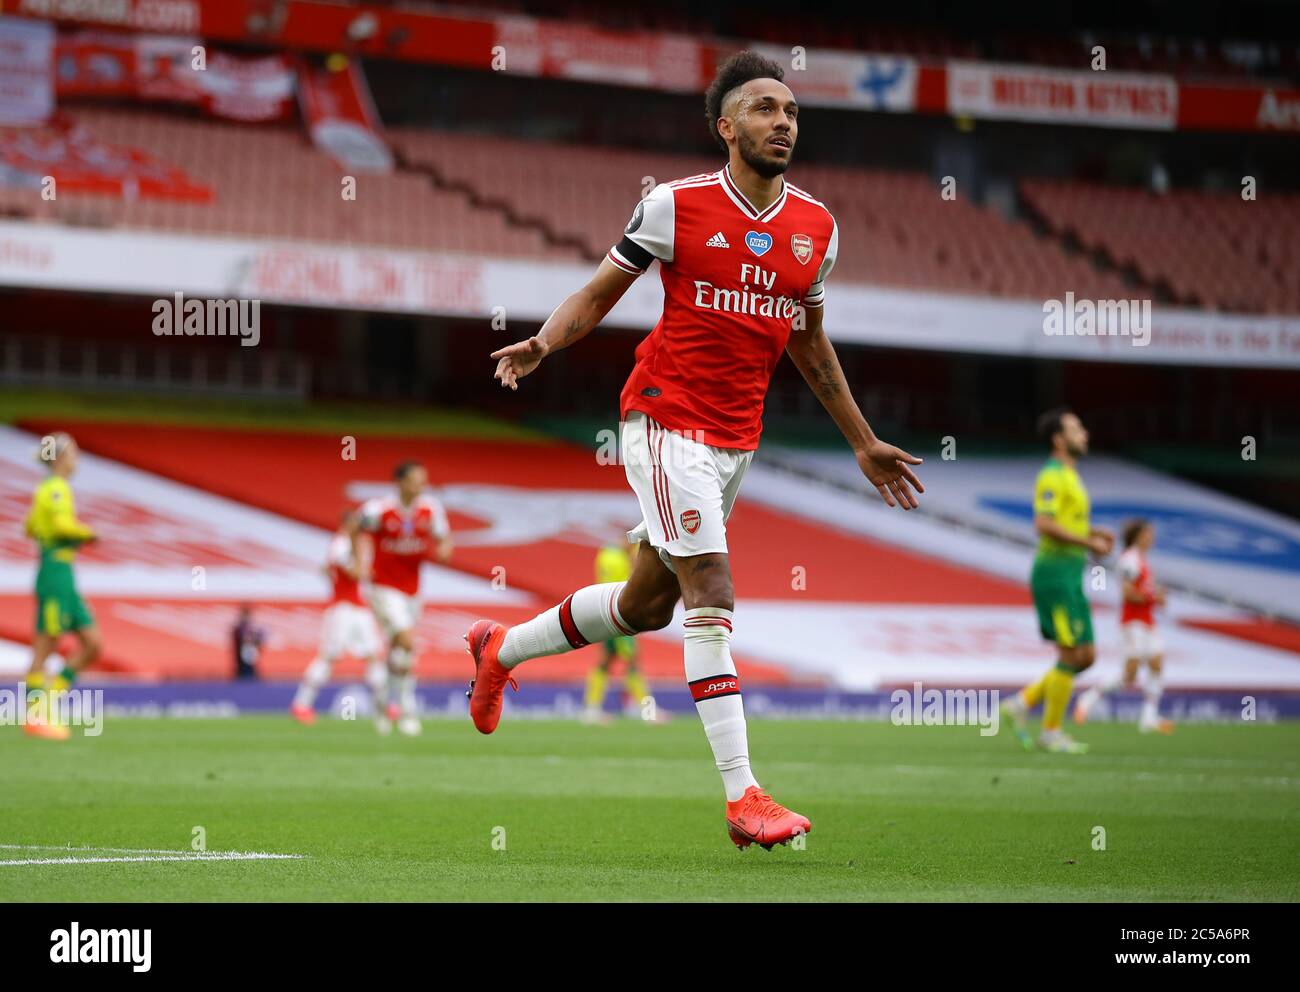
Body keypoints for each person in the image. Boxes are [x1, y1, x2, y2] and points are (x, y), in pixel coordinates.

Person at [464, 51, 924, 850]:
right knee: (711, 589)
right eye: (764, 109)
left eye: (791, 111)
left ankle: (499, 649)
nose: (783, 122)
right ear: (726, 126)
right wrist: (544, 341)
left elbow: (810, 345)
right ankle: (744, 797)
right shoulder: (674, 206)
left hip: (736, 438)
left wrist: (863, 443)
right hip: (664, 416)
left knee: (648, 605)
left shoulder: (818, 229)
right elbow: (601, 292)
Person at [1002, 409, 1114, 754]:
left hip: (1072, 573)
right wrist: (1088, 542)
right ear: (1058, 439)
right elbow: (1044, 525)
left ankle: (1022, 703)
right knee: (1070, 652)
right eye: (1076, 429)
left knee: (1087, 655)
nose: (1084, 433)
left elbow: (1066, 522)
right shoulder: (1051, 475)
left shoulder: (1071, 475)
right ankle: (1051, 732)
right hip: (1053, 573)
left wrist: (1092, 533)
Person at [351, 461, 452, 736]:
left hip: (413, 590)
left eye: (424, 480)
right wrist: (360, 561)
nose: (421, 486)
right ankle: (407, 711)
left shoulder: (430, 509)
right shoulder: (378, 509)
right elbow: (356, 528)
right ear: (400, 482)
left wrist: (444, 548)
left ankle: (383, 703)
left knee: (400, 652)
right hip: (383, 587)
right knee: (408, 642)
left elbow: (444, 537)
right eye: (416, 480)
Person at [23, 432, 100, 741]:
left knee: (94, 644)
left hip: (63, 571)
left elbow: (29, 526)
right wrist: (88, 533)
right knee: (47, 644)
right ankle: (35, 717)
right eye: (74, 453)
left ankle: (48, 703)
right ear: (59, 457)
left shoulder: (49, 489)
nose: (77, 460)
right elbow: (59, 525)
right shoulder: (55, 488)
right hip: (54, 571)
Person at [1074, 519, 1173, 734]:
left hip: (1147, 621)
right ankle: (1088, 697)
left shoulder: (1142, 560)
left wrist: (1156, 597)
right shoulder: (1129, 560)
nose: (1152, 537)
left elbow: (1144, 591)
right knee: (1130, 674)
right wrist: (1155, 597)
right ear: (1138, 536)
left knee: (1156, 663)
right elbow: (1128, 593)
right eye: (1148, 533)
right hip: (1133, 622)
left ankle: (1149, 717)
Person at [291, 511, 387, 729]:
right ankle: (301, 704)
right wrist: (364, 563)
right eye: (355, 524)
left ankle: (382, 707)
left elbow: (327, 570)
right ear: (347, 524)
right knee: (329, 656)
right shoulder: (342, 544)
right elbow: (355, 573)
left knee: (373, 655)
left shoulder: (352, 545)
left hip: (358, 608)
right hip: (343, 608)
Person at [581, 541, 658, 724]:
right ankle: (648, 712)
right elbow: (627, 583)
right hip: (619, 615)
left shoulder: (607, 555)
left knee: (606, 661)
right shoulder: (617, 558)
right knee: (631, 661)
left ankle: (591, 709)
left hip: (607, 613)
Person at [232, 604, 265, 680]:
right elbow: (242, 639)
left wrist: (256, 637)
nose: (247, 618)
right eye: (245, 616)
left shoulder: (253, 629)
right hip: (241, 665)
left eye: (248, 616)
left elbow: (259, 641)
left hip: (251, 663)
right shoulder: (238, 628)